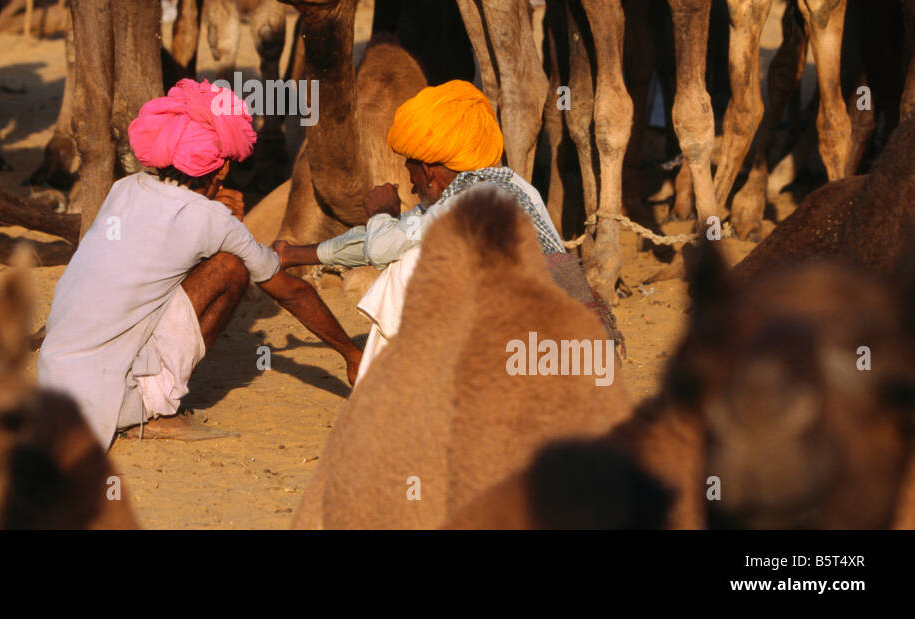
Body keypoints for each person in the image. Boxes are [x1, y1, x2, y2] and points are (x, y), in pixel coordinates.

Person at [38, 79, 362, 447]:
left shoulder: (124, 189)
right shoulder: (212, 221)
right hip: (107, 401)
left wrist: (213, 211)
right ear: (221, 170)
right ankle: (158, 407)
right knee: (232, 267)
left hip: (53, 379)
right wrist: (351, 353)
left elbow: (164, 243)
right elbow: (291, 293)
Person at [273, 80, 620, 382]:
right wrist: (295, 254)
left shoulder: (468, 202)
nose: (411, 186)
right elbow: (382, 239)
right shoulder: (512, 186)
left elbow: (382, 250)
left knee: (408, 269)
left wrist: (380, 213)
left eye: (411, 172)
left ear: (427, 170)